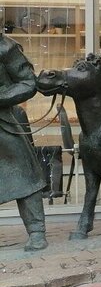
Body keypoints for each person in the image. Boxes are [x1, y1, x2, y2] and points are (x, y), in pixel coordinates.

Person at [0, 31, 47, 250]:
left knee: (26, 176)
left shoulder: (6, 47)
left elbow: (28, 82)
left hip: (3, 122)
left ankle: (36, 231)